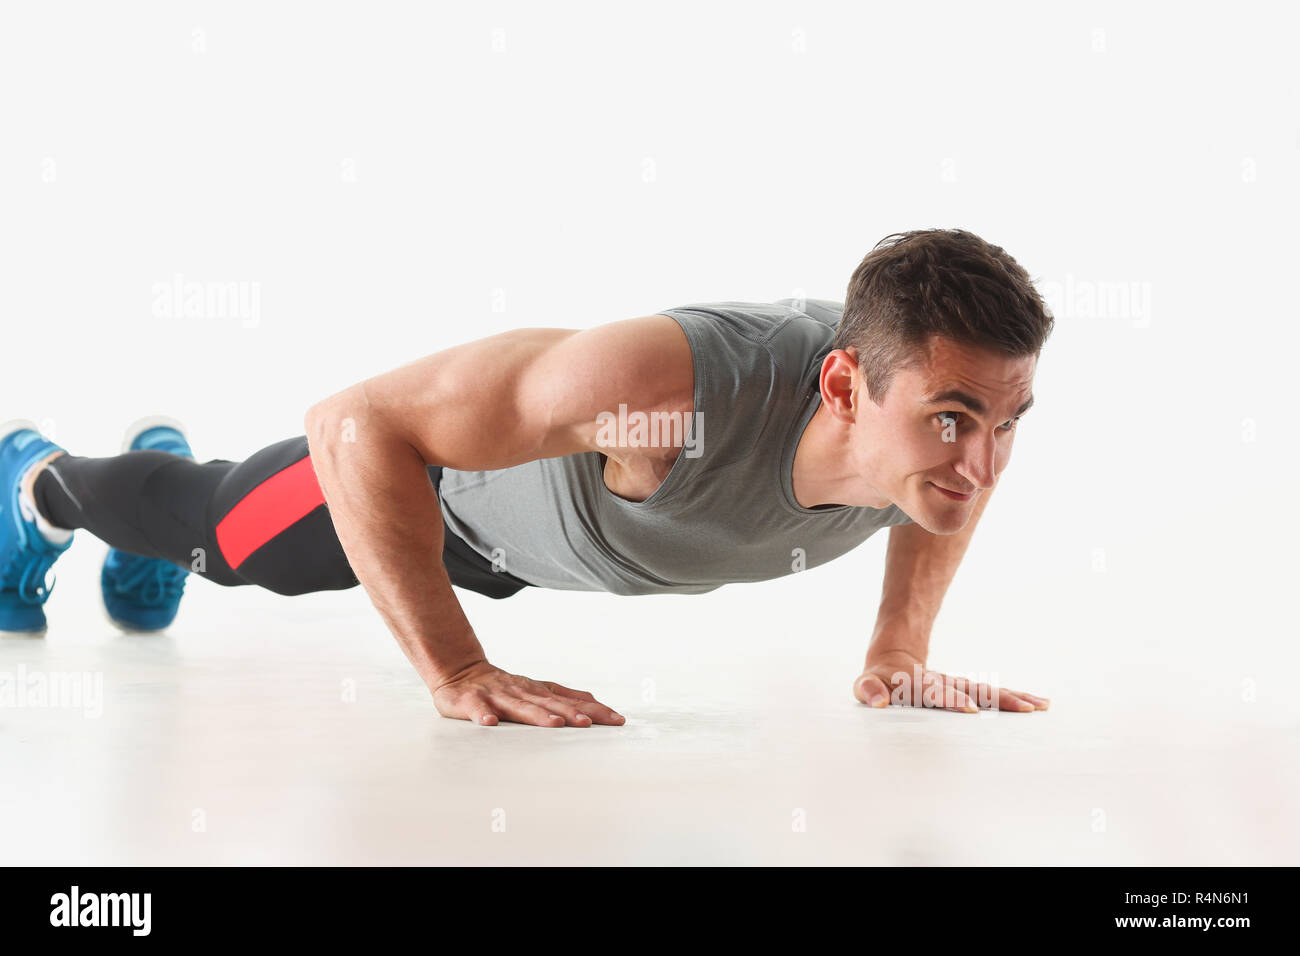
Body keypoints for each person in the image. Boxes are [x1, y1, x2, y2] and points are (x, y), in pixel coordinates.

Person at [0, 228, 1053, 727]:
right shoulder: (662, 391)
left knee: (208, 533)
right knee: (226, 540)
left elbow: (938, 489)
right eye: (953, 420)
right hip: (426, 498)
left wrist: (899, 650)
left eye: (1007, 422)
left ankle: (157, 488)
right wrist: (456, 667)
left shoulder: (929, 435)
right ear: (839, 384)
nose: (983, 464)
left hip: (536, 550)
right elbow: (353, 421)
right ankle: (41, 485)